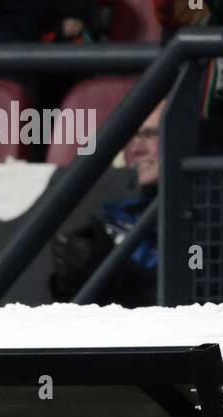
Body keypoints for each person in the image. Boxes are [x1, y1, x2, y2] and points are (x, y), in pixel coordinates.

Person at [51, 106, 163, 308]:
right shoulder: (118, 218)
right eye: (135, 135)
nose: (136, 149)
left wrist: (118, 274)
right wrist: (73, 279)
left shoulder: (212, 217)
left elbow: (199, 299)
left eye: (150, 134)